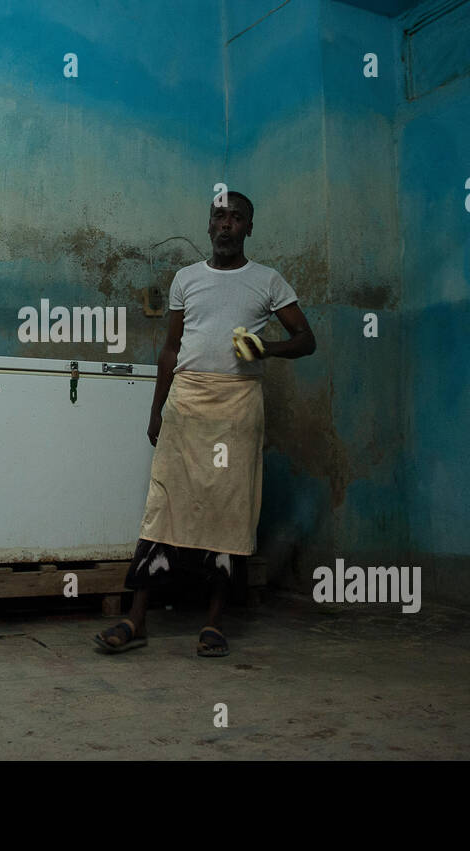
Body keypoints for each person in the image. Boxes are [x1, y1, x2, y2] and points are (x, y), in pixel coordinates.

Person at [93, 191, 315, 657]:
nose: (227, 225)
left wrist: (265, 348)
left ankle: (215, 622)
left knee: (229, 509)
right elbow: (171, 348)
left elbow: (305, 339)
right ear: (208, 225)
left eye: (237, 218)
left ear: (249, 228)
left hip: (238, 405)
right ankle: (137, 619)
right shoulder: (186, 279)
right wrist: (157, 409)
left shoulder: (268, 281)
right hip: (187, 400)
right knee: (164, 504)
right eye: (219, 216)